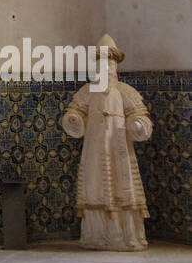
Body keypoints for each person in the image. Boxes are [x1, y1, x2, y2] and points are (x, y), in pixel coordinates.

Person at [60, 34, 152, 250]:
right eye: (101, 64)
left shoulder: (125, 91)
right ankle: (96, 236)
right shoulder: (87, 91)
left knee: (124, 184)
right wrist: (73, 119)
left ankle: (126, 237)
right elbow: (75, 113)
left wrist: (137, 124)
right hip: (94, 147)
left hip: (119, 146)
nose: (106, 69)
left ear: (115, 66)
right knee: (95, 185)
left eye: (109, 64)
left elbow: (140, 115)